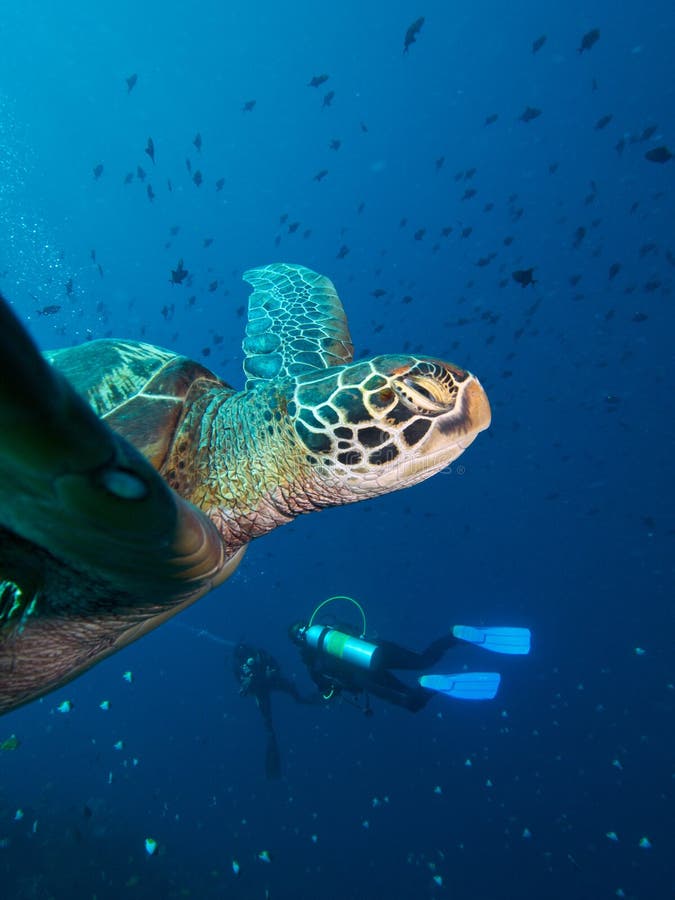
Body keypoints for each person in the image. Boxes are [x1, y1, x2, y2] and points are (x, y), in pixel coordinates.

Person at [288, 619, 530, 715]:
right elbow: (356, 629)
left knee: (411, 702)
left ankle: (429, 687)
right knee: (424, 660)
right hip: (376, 649)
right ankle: (454, 637)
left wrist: (332, 689)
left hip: (362, 676)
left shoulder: (312, 663)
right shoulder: (329, 627)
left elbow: (329, 690)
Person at [232, 642, 315, 779]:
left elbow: (276, 667)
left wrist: (267, 675)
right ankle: (272, 747)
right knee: (268, 723)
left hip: (269, 682)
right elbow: (245, 688)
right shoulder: (239, 668)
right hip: (261, 689)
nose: (249, 660)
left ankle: (304, 700)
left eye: (249, 656)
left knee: (292, 691)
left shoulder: (261, 655)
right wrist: (249, 684)